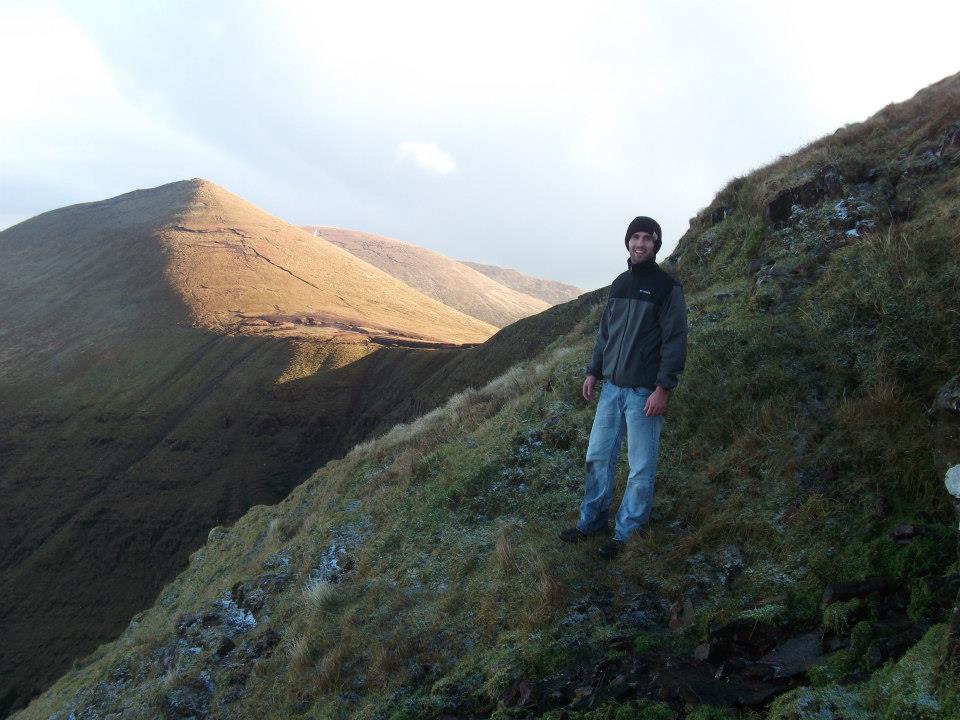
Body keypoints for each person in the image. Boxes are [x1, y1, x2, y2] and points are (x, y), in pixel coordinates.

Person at [560, 216, 688, 559]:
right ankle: (592, 522)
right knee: (597, 457)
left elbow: (675, 340)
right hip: (611, 389)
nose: (640, 243)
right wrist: (593, 371)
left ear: (656, 245)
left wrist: (663, 388)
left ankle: (627, 534)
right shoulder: (620, 283)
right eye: (635, 237)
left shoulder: (667, 288)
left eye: (647, 238)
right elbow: (606, 334)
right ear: (628, 241)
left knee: (640, 467)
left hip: (644, 392)